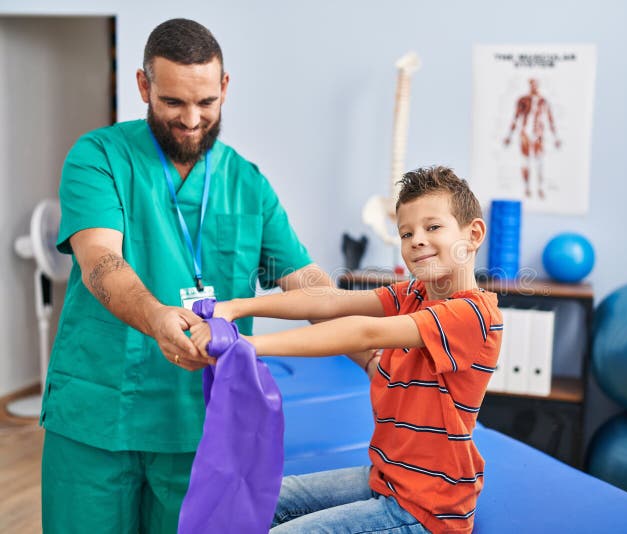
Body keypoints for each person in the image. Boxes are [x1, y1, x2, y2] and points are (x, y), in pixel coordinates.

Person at [40, 18, 370, 534]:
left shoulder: (247, 183)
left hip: (201, 425)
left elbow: (305, 283)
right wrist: (154, 317)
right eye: (173, 103)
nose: (192, 120)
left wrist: (375, 351)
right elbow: (101, 262)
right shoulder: (99, 157)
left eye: (207, 104)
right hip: (99, 419)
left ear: (225, 88)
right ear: (144, 86)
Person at [190, 166, 503, 533]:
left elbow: (366, 332)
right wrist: (238, 307)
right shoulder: (413, 294)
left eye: (433, 227)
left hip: (425, 511)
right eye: (406, 232)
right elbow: (331, 301)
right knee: (258, 500)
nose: (417, 239)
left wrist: (251, 345)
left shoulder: (472, 314)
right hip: (388, 478)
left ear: (473, 233)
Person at [503, 78, 561, 199]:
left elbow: (550, 119)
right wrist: (509, 136)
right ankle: (527, 188)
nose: (534, 87)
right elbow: (516, 117)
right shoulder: (523, 100)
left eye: (536, 85)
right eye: (532, 84)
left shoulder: (543, 101)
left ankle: (540, 188)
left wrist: (555, 137)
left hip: (538, 133)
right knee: (526, 161)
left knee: (539, 162)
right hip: (525, 133)